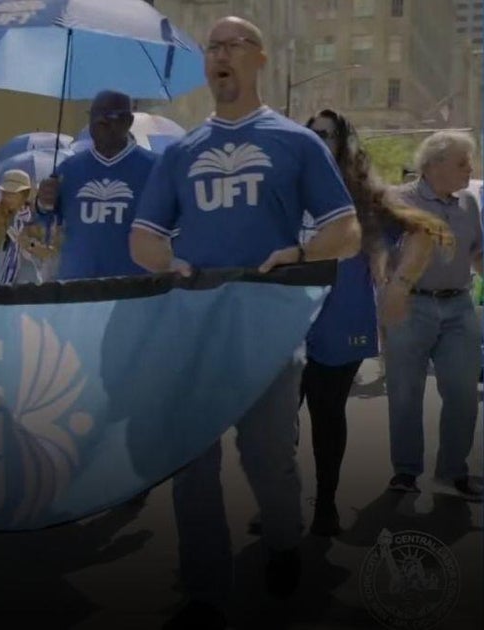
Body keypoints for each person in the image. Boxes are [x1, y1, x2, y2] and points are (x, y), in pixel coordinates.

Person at [128, 17, 361, 629]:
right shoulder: (178, 151)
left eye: (233, 45)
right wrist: (170, 261)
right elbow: (143, 239)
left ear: (259, 59)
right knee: (193, 463)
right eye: (212, 47)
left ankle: (284, 540)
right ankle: (205, 591)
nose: (220, 55)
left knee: (268, 460)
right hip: (196, 326)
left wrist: (303, 251)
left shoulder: (297, 143)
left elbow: (347, 231)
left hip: (269, 330)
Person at [296, 109, 454, 535]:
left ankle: (325, 503)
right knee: (279, 423)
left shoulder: (365, 198)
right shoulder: (289, 187)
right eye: (308, 133)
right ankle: (280, 500)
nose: (315, 140)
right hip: (287, 323)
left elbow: (424, 232)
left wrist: (398, 286)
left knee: (326, 417)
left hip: (340, 321)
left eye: (325, 135)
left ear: (343, 143)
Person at [384, 130, 482, 501]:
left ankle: (453, 471)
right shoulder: (397, 201)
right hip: (411, 306)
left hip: (459, 306)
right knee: (405, 393)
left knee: (462, 394)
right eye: (461, 162)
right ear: (433, 165)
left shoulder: (469, 203)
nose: (469, 169)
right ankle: (406, 472)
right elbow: (378, 254)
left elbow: (477, 254)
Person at [38, 90, 156, 280]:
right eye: (95, 114)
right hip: (77, 289)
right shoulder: (68, 169)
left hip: (132, 290)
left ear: (128, 121)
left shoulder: (154, 169)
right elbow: (43, 225)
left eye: (110, 114)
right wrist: (43, 204)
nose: (101, 120)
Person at [0, 169, 56, 285]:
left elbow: (49, 252)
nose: (7, 198)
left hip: (28, 286)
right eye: (6, 193)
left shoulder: (36, 217)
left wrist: (29, 244)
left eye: (13, 193)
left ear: (25, 194)